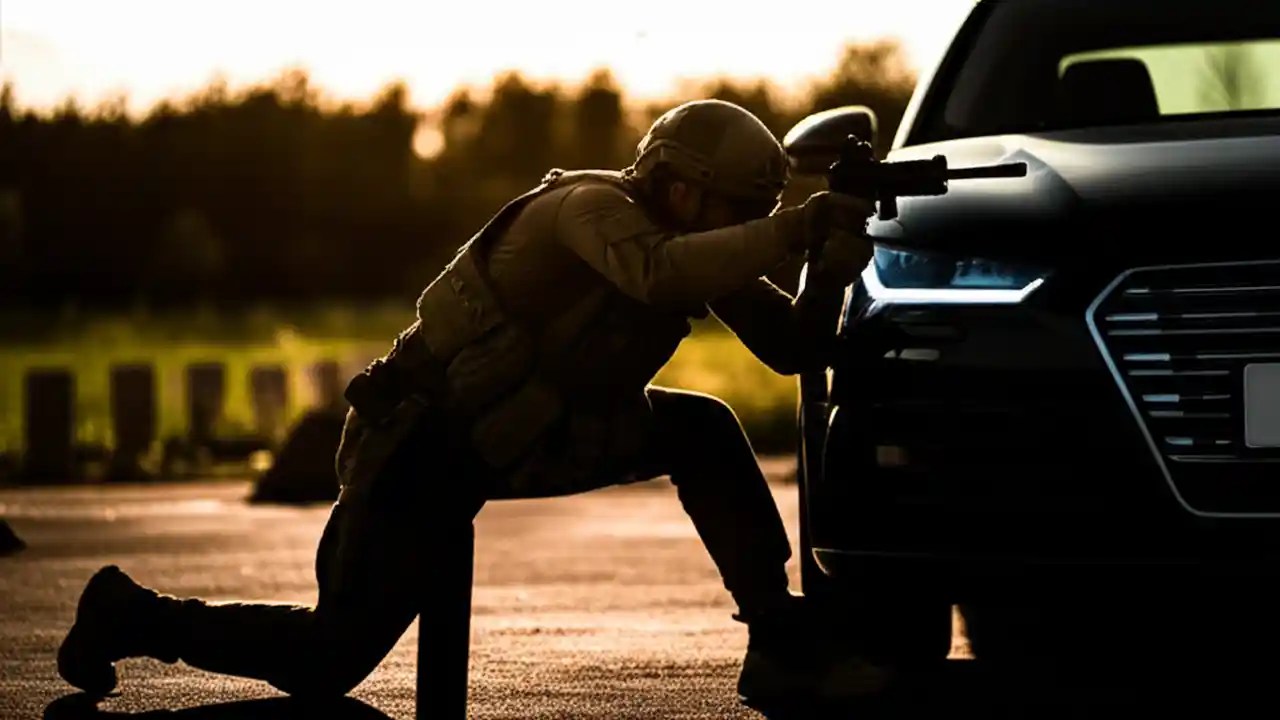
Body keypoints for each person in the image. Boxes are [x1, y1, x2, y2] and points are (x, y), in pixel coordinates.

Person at [56, 99, 886, 713]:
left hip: (536, 433)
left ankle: (776, 638)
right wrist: (795, 230)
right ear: (682, 189)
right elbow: (655, 274)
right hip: (422, 444)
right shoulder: (589, 210)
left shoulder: (698, 241)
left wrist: (828, 269)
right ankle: (130, 615)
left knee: (701, 429)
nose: (749, 227)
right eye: (738, 210)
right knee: (328, 657)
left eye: (757, 215)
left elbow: (791, 347)